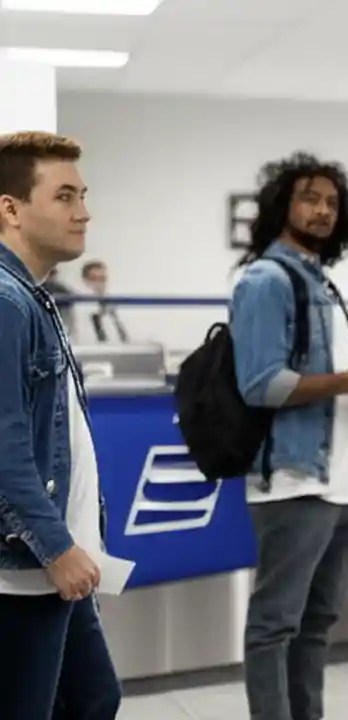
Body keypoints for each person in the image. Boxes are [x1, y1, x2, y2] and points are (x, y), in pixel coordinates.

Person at [230, 152, 348, 720]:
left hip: (345, 482)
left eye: (332, 203)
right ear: (281, 206)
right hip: (296, 480)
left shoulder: (322, 283)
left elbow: (337, 378)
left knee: (316, 624)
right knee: (275, 624)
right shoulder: (265, 280)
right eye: (309, 199)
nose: (321, 211)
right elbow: (262, 385)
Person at [0, 131, 121, 718]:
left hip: (50, 565)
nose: (84, 212)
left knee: (94, 699)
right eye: (65, 196)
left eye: (83, 195)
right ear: (11, 208)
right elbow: (3, 444)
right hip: (23, 568)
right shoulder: (6, 302)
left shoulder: (33, 297)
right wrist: (55, 548)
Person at [80, 260, 128, 343]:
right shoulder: (80, 306)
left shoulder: (113, 306)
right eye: (94, 279)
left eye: (102, 279)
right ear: (85, 281)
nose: (99, 283)